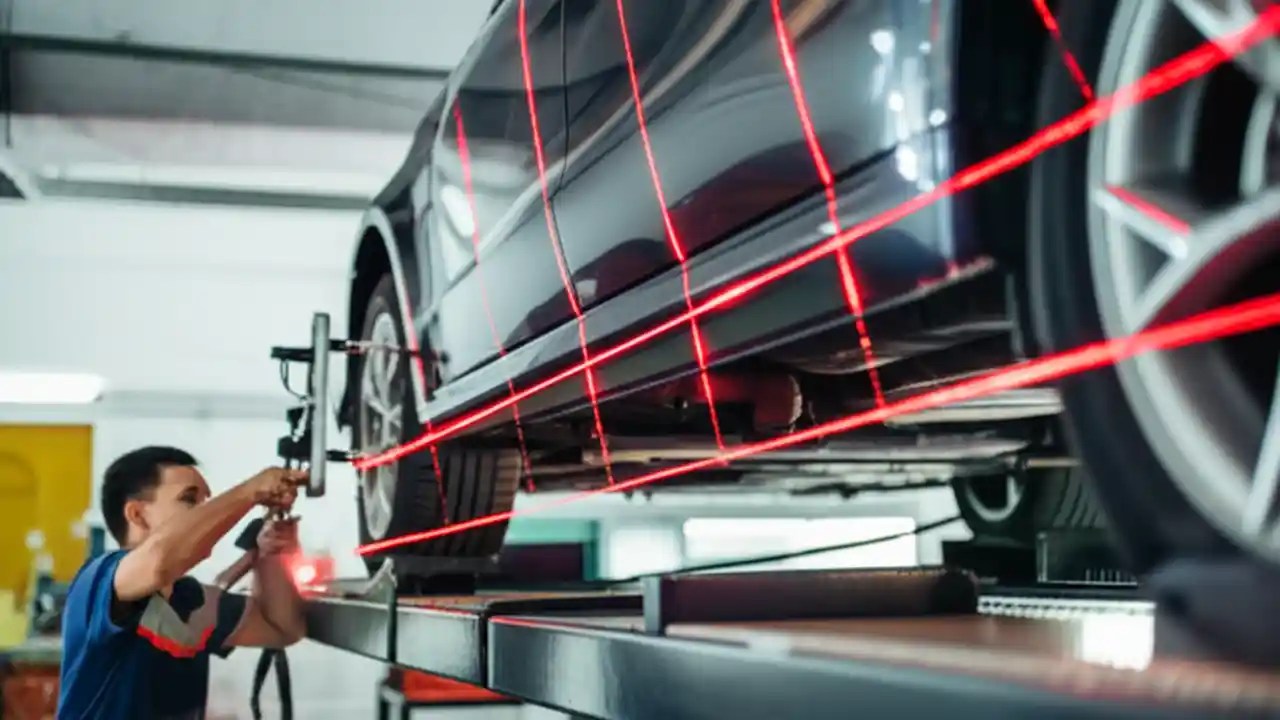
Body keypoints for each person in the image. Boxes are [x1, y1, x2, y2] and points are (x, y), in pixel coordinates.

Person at [57, 446, 310, 719]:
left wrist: (271, 555)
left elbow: (281, 628)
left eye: (204, 503)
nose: (203, 513)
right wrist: (251, 491)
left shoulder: (190, 601)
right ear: (137, 515)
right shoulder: (97, 581)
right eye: (189, 500)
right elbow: (159, 561)